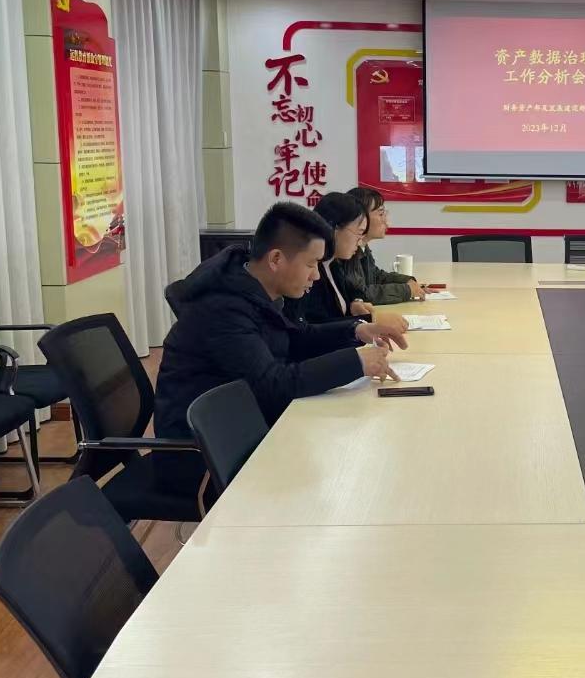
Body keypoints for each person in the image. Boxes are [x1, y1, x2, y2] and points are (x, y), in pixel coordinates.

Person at [154, 203, 408, 495]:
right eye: (311, 264)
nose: (316, 276)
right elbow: (272, 384)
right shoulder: (223, 308)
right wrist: (356, 362)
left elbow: (294, 337)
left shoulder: (251, 286)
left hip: (242, 427)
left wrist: (357, 329)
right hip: (205, 458)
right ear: (276, 259)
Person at [285, 191, 407, 335]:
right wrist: (370, 320)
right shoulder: (310, 271)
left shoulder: (335, 264)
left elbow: (351, 294)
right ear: (334, 228)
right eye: (359, 232)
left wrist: (356, 303)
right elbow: (310, 327)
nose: (360, 241)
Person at [341, 186, 425, 304]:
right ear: (361, 217)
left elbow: (376, 276)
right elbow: (361, 293)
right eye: (381, 214)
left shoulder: (363, 246)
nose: (386, 221)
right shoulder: (347, 251)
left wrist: (408, 281)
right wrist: (407, 290)